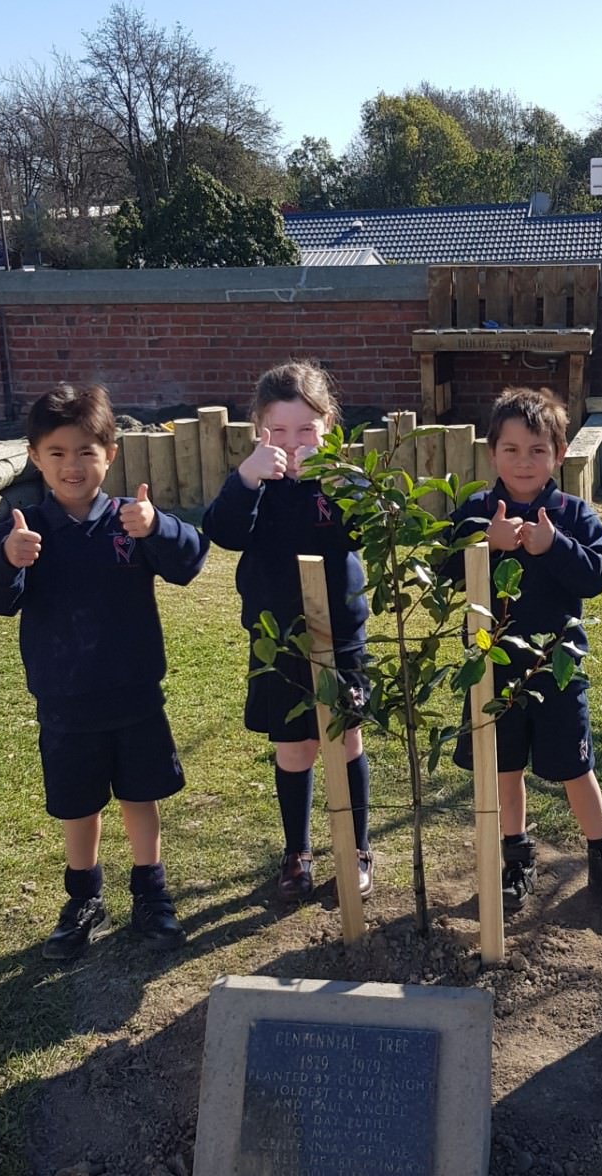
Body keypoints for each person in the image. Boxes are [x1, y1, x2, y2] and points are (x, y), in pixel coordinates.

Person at [0, 384, 209, 961]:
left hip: (135, 695)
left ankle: (151, 892)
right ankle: (84, 899)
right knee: (78, 802)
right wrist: (6, 559)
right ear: (34, 456)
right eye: (57, 453)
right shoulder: (26, 532)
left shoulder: (132, 521)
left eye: (85, 452)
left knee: (140, 792)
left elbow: (190, 561)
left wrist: (160, 528)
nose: (72, 465)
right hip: (65, 700)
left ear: (111, 454)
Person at [444, 386, 602, 920]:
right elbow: (441, 572)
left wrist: (554, 547)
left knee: (577, 768)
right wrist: (488, 545)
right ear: (491, 454)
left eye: (537, 450)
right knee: (506, 768)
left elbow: (599, 575)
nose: (524, 462)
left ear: (557, 454)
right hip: (492, 667)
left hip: (557, 666)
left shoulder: (573, 514)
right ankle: (515, 857)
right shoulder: (477, 513)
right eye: (511, 450)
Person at [201, 360, 373, 905]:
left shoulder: (340, 483)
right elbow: (223, 533)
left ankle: (358, 847)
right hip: (278, 641)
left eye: (306, 431)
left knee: (346, 741)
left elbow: (367, 529)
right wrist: (246, 478)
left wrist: (348, 481)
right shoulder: (255, 484)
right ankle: (297, 852)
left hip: (340, 635)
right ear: (258, 432)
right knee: (294, 748)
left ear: (328, 430)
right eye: (277, 432)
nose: (292, 444)